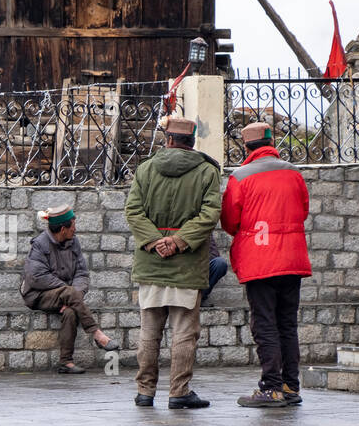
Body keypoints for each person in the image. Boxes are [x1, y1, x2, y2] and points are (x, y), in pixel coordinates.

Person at [124, 116, 221, 410]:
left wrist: (155, 242)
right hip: (187, 264)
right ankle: (178, 392)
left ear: (167, 140)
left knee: (149, 332)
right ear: (192, 142)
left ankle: (145, 391)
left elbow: (133, 211)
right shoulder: (207, 172)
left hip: (151, 262)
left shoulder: (145, 169)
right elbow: (209, 214)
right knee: (184, 333)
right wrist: (178, 242)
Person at [221, 122, 312, 408]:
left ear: (246, 147)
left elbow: (229, 221)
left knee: (265, 324)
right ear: (272, 144)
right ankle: (290, 385)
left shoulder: (241, 177)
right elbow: (303, 211)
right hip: (292, 259)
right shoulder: (294, 173)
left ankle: (270, 387)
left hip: (260, 262)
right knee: (287, 323)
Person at [20, 203, 119, 373]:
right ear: (62, 229)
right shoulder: (40, 244)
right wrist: (69, 292)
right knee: (69, 293)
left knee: (70, 312)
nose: (75, 229)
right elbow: (37, 277)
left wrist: (74, 295)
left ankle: (65, 362)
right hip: (38, 295)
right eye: (73, 226)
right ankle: (97, 334)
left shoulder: (73, 242)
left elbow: (82, 273)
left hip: (66, 296)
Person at [202, 236, 230, 307]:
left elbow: (214, 254)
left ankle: (200, 297)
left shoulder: (203, 229)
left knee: (220, 263)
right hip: (183, 268)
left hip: (200, 266)